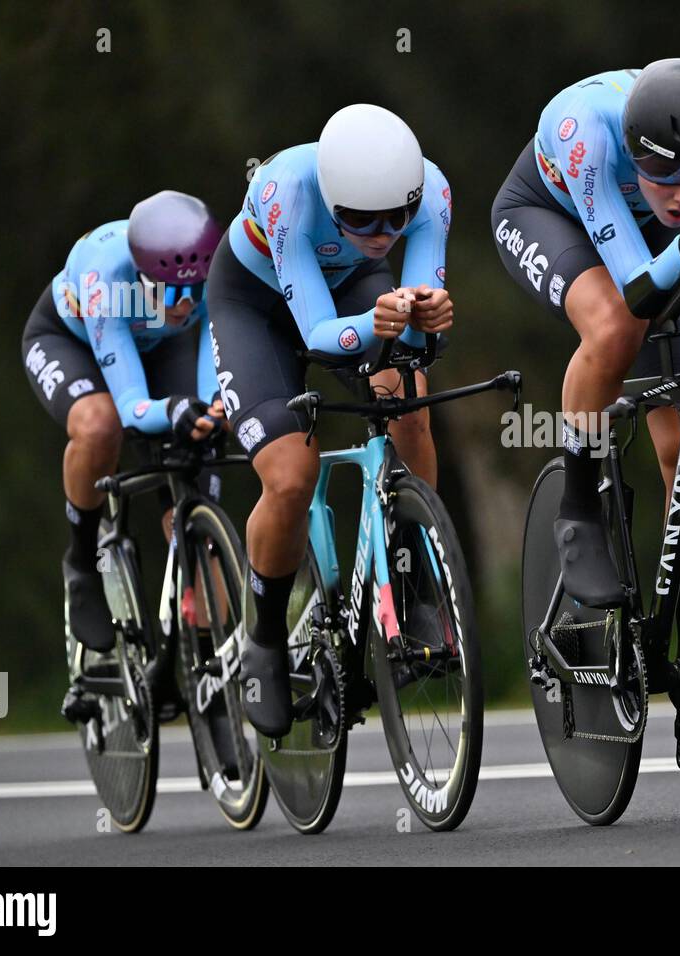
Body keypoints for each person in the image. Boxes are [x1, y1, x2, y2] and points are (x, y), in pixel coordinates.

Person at [207, 104, 453, 738]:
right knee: (291, 475)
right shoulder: (286, 189)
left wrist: (427, 320)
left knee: (408, 397)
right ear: (329, 197)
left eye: (397, 219)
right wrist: (375, 325)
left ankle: (416, 584)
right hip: (255, 307)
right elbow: (316, 335)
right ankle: (263, 638)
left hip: (347, 288)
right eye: (359, 219)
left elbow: (417, 331)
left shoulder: (432, 193)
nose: (381, 232)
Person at [491, 58, 680, 608]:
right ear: (635, 148)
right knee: (617, 327)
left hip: (645, 235)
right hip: (549, 214)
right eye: (665, 175)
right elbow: (641, 292)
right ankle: (578, 512)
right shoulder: (589, 134)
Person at [21, 191, 225, 655]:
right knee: (100, 426)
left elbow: (216, 369)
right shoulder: (106, 281)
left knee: (200, 460)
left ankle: (214, 678)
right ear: (139, 275)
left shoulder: (207, 275)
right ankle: (82, 563)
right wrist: (172, 410)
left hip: (160, 347)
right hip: (73, 342)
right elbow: (133, 404)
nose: (184, 305)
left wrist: (213, 407)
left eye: (195, 291)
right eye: (170, 291)